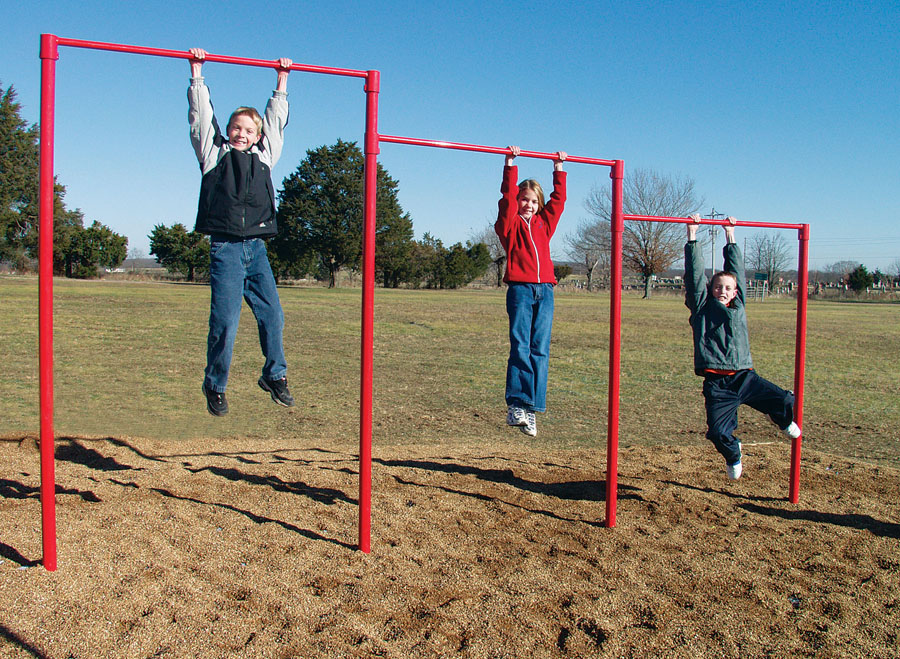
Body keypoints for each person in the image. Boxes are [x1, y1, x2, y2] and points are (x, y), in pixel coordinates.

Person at [188, 48, 295, 416]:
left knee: (272, 316)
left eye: (249, 130)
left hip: (257, 250)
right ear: (228, 130)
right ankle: (215, 384)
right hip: (227, 250)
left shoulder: (266, 155)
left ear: (257, 135)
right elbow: (202, 117)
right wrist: (197, 73)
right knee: (225, 322)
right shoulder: (213, 154)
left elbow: (275, 121)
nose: (241, 134)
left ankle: (274, 375)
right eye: (236, 128)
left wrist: (282, 81)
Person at [684, 214, 801, 480]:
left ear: (735, 292)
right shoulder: (701, 307)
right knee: (717, 432)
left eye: (727, 288)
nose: (722, 291)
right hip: (717, 384)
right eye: (717, 287)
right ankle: (734, 453)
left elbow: (737, 270)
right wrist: (692, 236)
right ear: (710, 289)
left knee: (784, 399)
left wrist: (731, 236)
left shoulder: (739, 306)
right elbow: (693, 277)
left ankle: (782, 421)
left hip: (745, 377)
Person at [494, 145, 567, 437]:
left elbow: (558, 201)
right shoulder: (509, 225)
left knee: (541, 350)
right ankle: (516, 404)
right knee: (521, 345)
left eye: (533, 201)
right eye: (524, 200)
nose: (528, 205)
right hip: (521, 289)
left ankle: (532, 408)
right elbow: (507, 199)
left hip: (546, 290)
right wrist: (510, 164)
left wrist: (558, 169)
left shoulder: (544, 224)